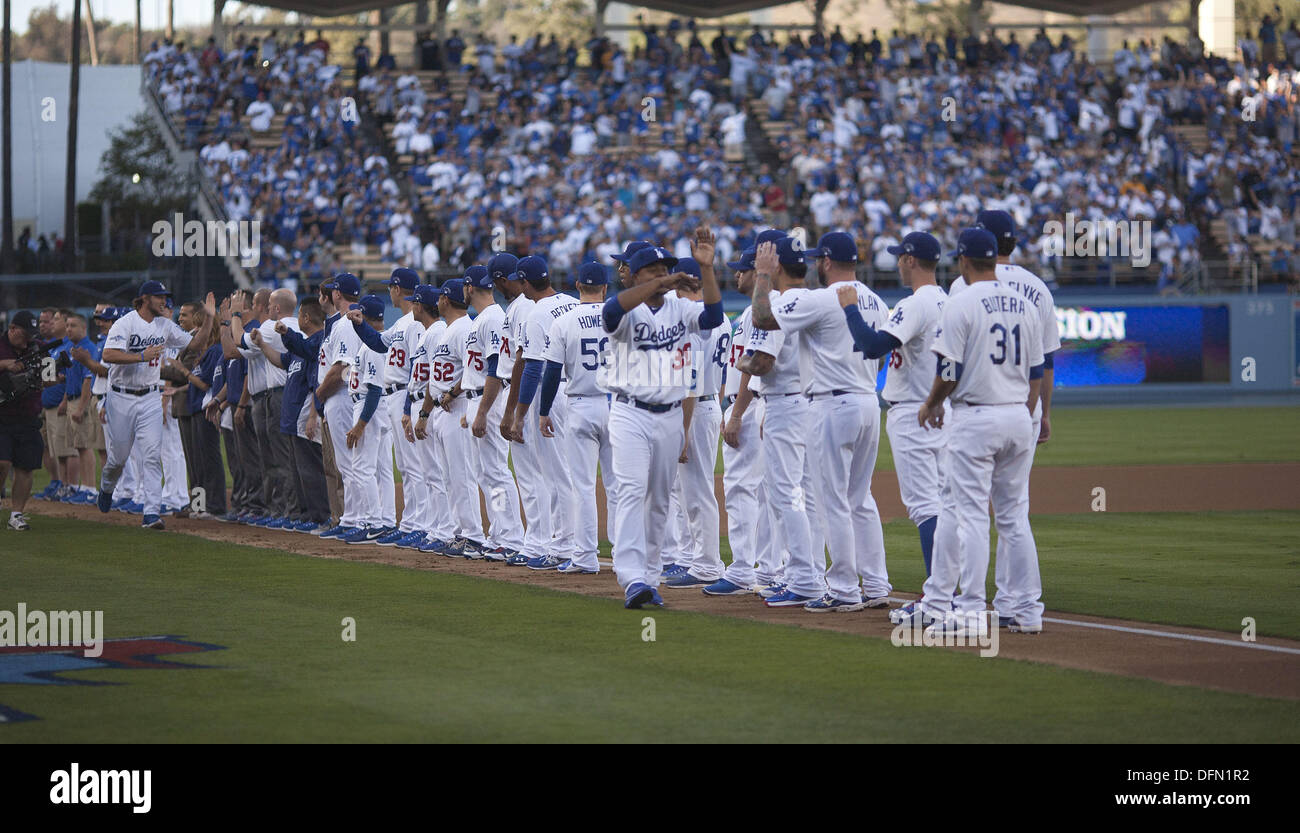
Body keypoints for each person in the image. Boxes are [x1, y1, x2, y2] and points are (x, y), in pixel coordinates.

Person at [912, 228, 1046, 637]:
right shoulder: (1025, 302)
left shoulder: (961, 301)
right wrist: (1024, 412)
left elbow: (948, 369)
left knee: (970, 516)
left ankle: (969, 612)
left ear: (964, 261)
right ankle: (1028, 610)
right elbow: (1038, 370)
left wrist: (932, 402)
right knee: (1014, 518)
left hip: (976, 417)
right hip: (1019, 414)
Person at [750, 231, 892, 610]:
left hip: (832, 403)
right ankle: (876, 584)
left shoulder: (822, 298)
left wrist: (764, 275)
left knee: (833, 502)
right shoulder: (876, 300)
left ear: (826, 262)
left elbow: (763, 319)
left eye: (819, 259)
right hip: (867, 401)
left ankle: (844, 588)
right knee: (861, 500)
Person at [601, 229, 724, 609]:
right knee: (631, 491)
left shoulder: (679, 309)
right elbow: (610, 313)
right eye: (653, 269)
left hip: (670, 415)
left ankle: (648, 579)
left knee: (657, 501)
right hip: (629, 413)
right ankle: (631, 577)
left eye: (666, 268)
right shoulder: (626, 308)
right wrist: (663, 282)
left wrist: (706, 269)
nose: (663, 274)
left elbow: (714, 315)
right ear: (637, 275)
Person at [839, 231, 948, 580]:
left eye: (901, 257)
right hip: (942, 408)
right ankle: (952, 591)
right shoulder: (949, 301)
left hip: (915, 411)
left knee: (925, 506)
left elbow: (872, 346)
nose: (898, 263)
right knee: (946, 505)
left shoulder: (915, 303)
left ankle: (939, 595)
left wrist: (850, 309)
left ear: (910, 260)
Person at [738, 236, 830, 608]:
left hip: (787, 405)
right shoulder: (811, 299)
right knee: (807, 495)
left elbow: (762, 363)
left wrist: (740, 364)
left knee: (786, 494)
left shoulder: (779, 303)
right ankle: (809, 573)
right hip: (809, 401)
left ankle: (804, 578)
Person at [95, 283, 216, 529]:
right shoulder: (125, 323)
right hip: (121, 396)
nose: (164, 302)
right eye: (160, 297)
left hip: (150, 395)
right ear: (145, 298)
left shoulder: (164, 325)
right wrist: (141, 356)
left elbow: (194, 345)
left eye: (165, 297)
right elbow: (108, 355)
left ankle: (151, 513)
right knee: (118, 458)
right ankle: (107, 486)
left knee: (151, 455)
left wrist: (210, 319)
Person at [535, 261, 616, 575]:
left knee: (582, 486)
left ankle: (585, 557)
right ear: (606, 288)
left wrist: (543, 412)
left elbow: (552, 371)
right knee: (618, 486)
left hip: (580, 405)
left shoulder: (564, 321)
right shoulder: (618, 317)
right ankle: (626, 557)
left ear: (579, 286)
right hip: (616, 405)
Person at [661, 256, 728, 589]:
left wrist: (683, 431)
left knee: (698, 492)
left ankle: (707, 564)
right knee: (688, 490)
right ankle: (692, 558)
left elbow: (689, 378)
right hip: (707, 402)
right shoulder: (719, 317)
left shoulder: (692, 319)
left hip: (695, 408)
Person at [510, 255, 580, 570]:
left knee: (557, 475)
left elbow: (533, 367)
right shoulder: (572, 302)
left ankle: (563, 547)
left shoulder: (536, 313)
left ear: (525, 282)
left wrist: (520, 414)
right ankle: (578, 544)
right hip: (579, 389)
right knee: (574, 473)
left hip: (554, 394)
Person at [414, 278, 483, 555]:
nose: (438, 300)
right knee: (449, 476)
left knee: (462, 474)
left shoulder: (464, 328)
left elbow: (472, 369)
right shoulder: (448, 329)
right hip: (443, 410)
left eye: (441, 296)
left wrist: (453, 394)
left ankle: (473, 535)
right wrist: (426, 412)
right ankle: (458, 531)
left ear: (446, 299)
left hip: (459, 408)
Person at [463, 261, 526, 560]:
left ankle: (511, 536)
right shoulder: (485, 318)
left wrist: (482, 411)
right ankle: (499, 532)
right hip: (479, 397)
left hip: (490, 399)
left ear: (469, 287)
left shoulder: (491, 318)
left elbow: (496, 370)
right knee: (486, 473)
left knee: (496, 472)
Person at [340, 294, 395, 544]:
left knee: (363, 468)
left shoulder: (373, 347)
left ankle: (373, 523)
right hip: (373, 408)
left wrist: (359, 425)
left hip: (368, 408)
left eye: (359, 313)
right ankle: (385, 520)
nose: (355, 317)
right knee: (381, 468)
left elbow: (374, 390)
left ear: (368, 317)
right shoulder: (371, 343)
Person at [0, 311, 46, 530]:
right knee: (2, 462)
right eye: (25, 334)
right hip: (2, 416)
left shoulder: (37, 347)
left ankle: (16, 515)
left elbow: (48, 377)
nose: (28, 339)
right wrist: (5, 365)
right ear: (12, 329)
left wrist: (57, 375)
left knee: (25, 467)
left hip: (28, 415)